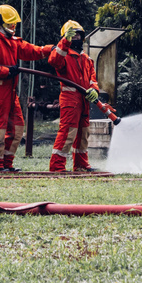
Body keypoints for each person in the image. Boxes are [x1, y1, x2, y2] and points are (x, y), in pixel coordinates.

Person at [0, 5, 53, 173]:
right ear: (0, 23)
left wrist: (50, 49)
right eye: (10, 24)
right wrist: (6, 71)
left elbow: (31, 51)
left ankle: (6, 163)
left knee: (17, 127)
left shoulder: (12, 42)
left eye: (14, 24)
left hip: (10, 93)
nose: (13, 27)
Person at [47, 20, 100, 172]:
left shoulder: (87, 59)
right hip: (70, 99)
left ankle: (81, 165)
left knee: (83, 134)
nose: (76, 38)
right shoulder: (64, 56)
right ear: (67, 37)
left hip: (84, 100)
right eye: (72, 35)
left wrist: (94, 89)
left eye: (78, 35)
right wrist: (64, 42)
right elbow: (53, 61)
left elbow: (92, 79)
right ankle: (57, 167)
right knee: (67, 133)